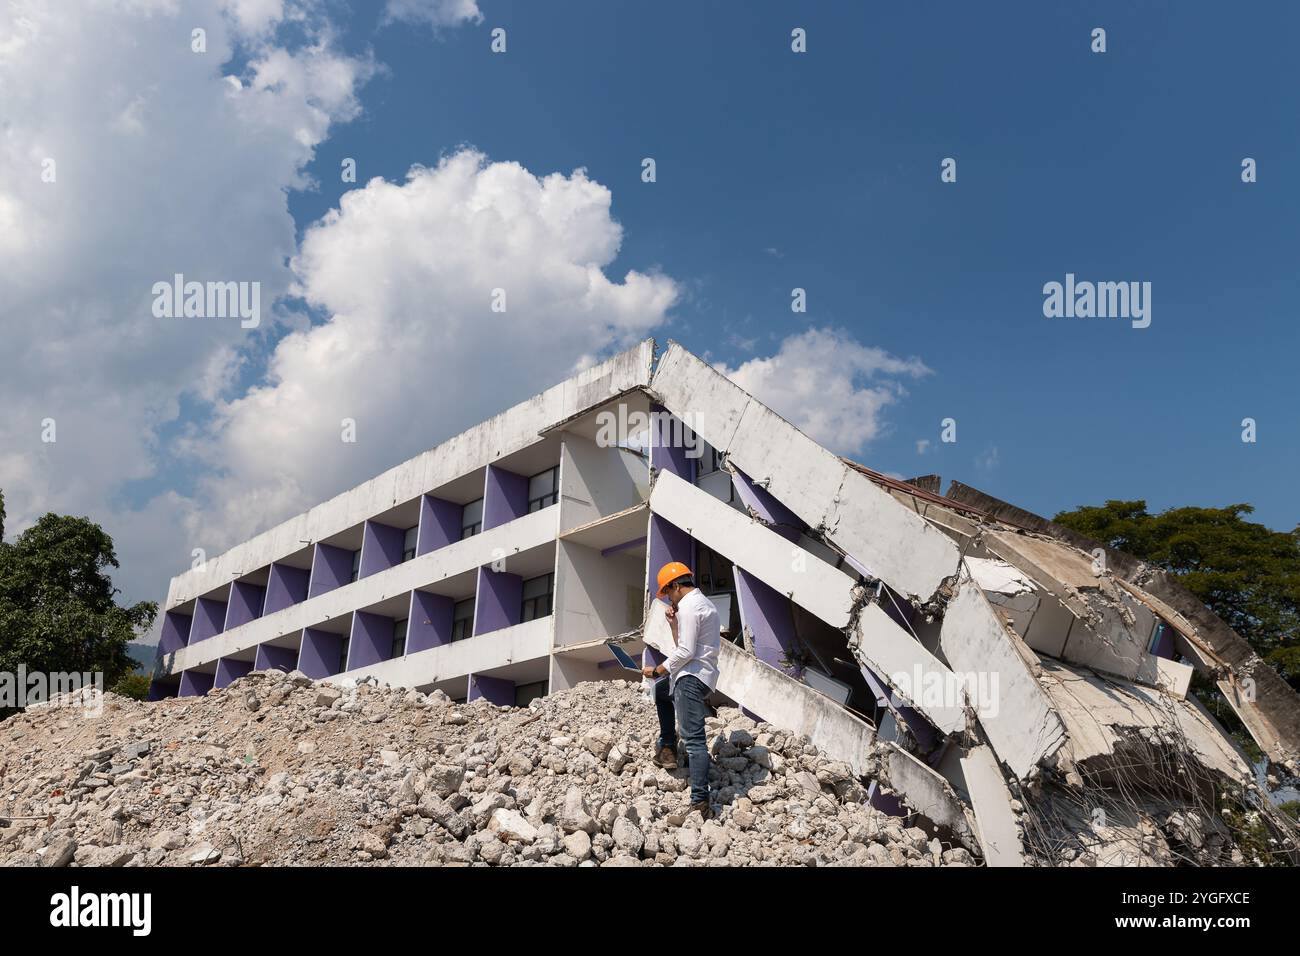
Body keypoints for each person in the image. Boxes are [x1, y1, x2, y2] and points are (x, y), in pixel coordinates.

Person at [643, 561, 720, 819]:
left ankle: (700, 803)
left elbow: (685, 652)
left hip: (691, 678)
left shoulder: (689, 607)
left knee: (695, 740)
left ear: (676, 586)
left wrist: (657, 670)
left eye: (668, 592)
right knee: (661, 692)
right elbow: (687, 644)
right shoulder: (703, 604)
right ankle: (667, 748)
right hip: (698, 675)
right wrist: (675, 626)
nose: (669, 598)